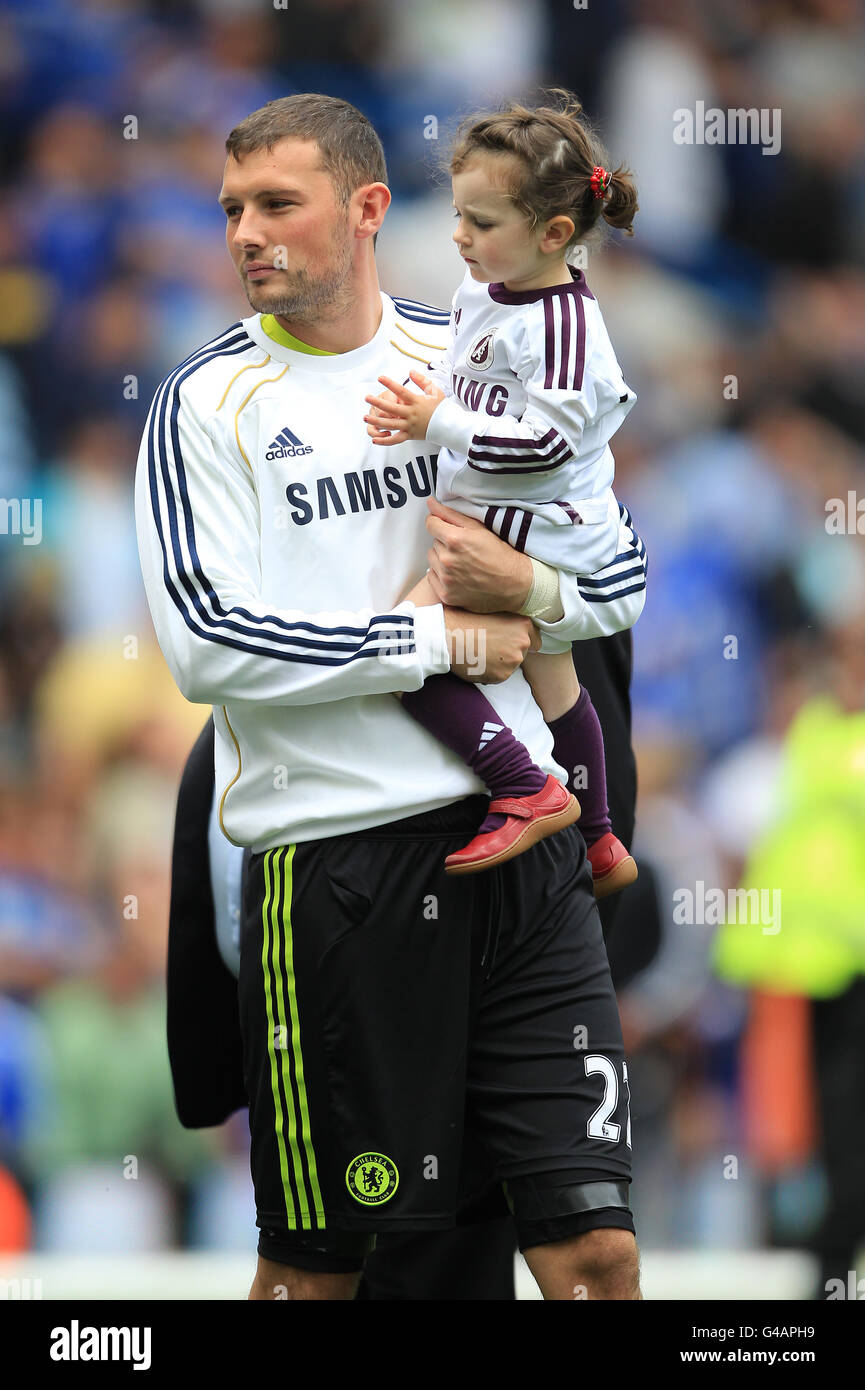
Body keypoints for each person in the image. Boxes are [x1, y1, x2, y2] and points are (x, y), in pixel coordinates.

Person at [135, 91, 641, 1300]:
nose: (248, 233)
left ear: (366, 210)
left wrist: (530, 588)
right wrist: (434, 644)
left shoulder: (470, 352)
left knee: (595, 1252)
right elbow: (208, 645)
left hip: (525, 857)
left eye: (277, 204)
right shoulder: (206, 404)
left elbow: (614, 568)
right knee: (323, 1275)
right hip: (338, 869)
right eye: (231, 211)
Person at [364, 93, 645, 893]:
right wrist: (432, 396)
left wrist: (436, 422)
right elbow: (480, 384)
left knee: (397, 655)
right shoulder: (486, 287)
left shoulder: (565, 328)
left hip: (530, 531)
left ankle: (522, 785)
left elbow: (544, 443)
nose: (460, 237)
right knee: (557, 683)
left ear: (553, 235)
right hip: (510, 520)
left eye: (481, 223)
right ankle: (597, 838)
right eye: (458, 215)